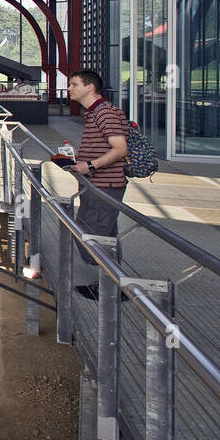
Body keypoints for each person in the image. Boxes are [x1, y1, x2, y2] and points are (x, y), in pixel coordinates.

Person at [67, 69, 130, 298]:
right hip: (97, 184)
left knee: (95, 233)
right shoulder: (96, 113)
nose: (69, 89)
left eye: (74, 84)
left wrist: (90, 165)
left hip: (105, 185)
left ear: (89, 87)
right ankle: (109, 282)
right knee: (102, 233)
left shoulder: (105, 113)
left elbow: (120, 149)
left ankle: (112, 286)